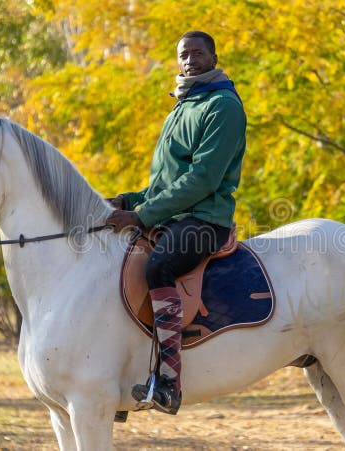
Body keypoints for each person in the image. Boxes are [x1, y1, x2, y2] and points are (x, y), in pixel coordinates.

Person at [106, 30, 246, 415]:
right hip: (172, 214)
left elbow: (202, 179)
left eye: (198, 53)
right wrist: (127, 201)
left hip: (204, 219)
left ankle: (168, 381)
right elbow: (163, 184)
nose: (189, 60)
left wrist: (141, 215)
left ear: (214, 58)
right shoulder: (181, 107)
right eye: (183, 54)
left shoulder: (223, 106)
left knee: (159, 266)